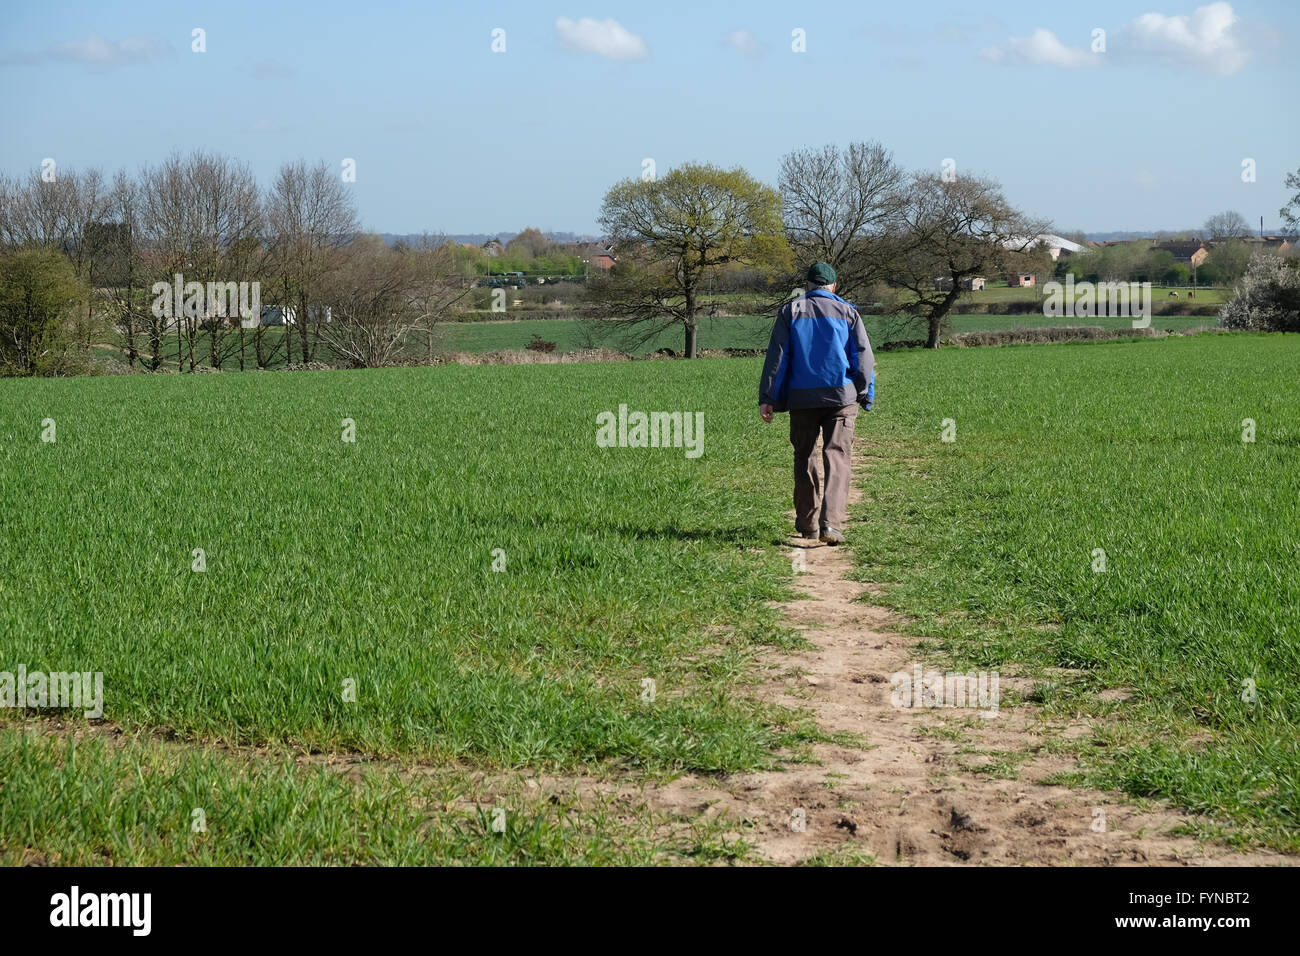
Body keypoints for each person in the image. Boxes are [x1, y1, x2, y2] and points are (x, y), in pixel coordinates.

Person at [758, 262, 875, 545]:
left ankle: (808, 524)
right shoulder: (849, 312)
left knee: (805, 457)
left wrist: (769, 397)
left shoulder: (790, 312)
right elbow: (864, 357)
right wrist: (863, 392)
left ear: (808, 286)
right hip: (842, 397)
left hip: (802, 398)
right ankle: (831, 525)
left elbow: (778, 358)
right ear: (834, 287)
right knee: (837, 458)